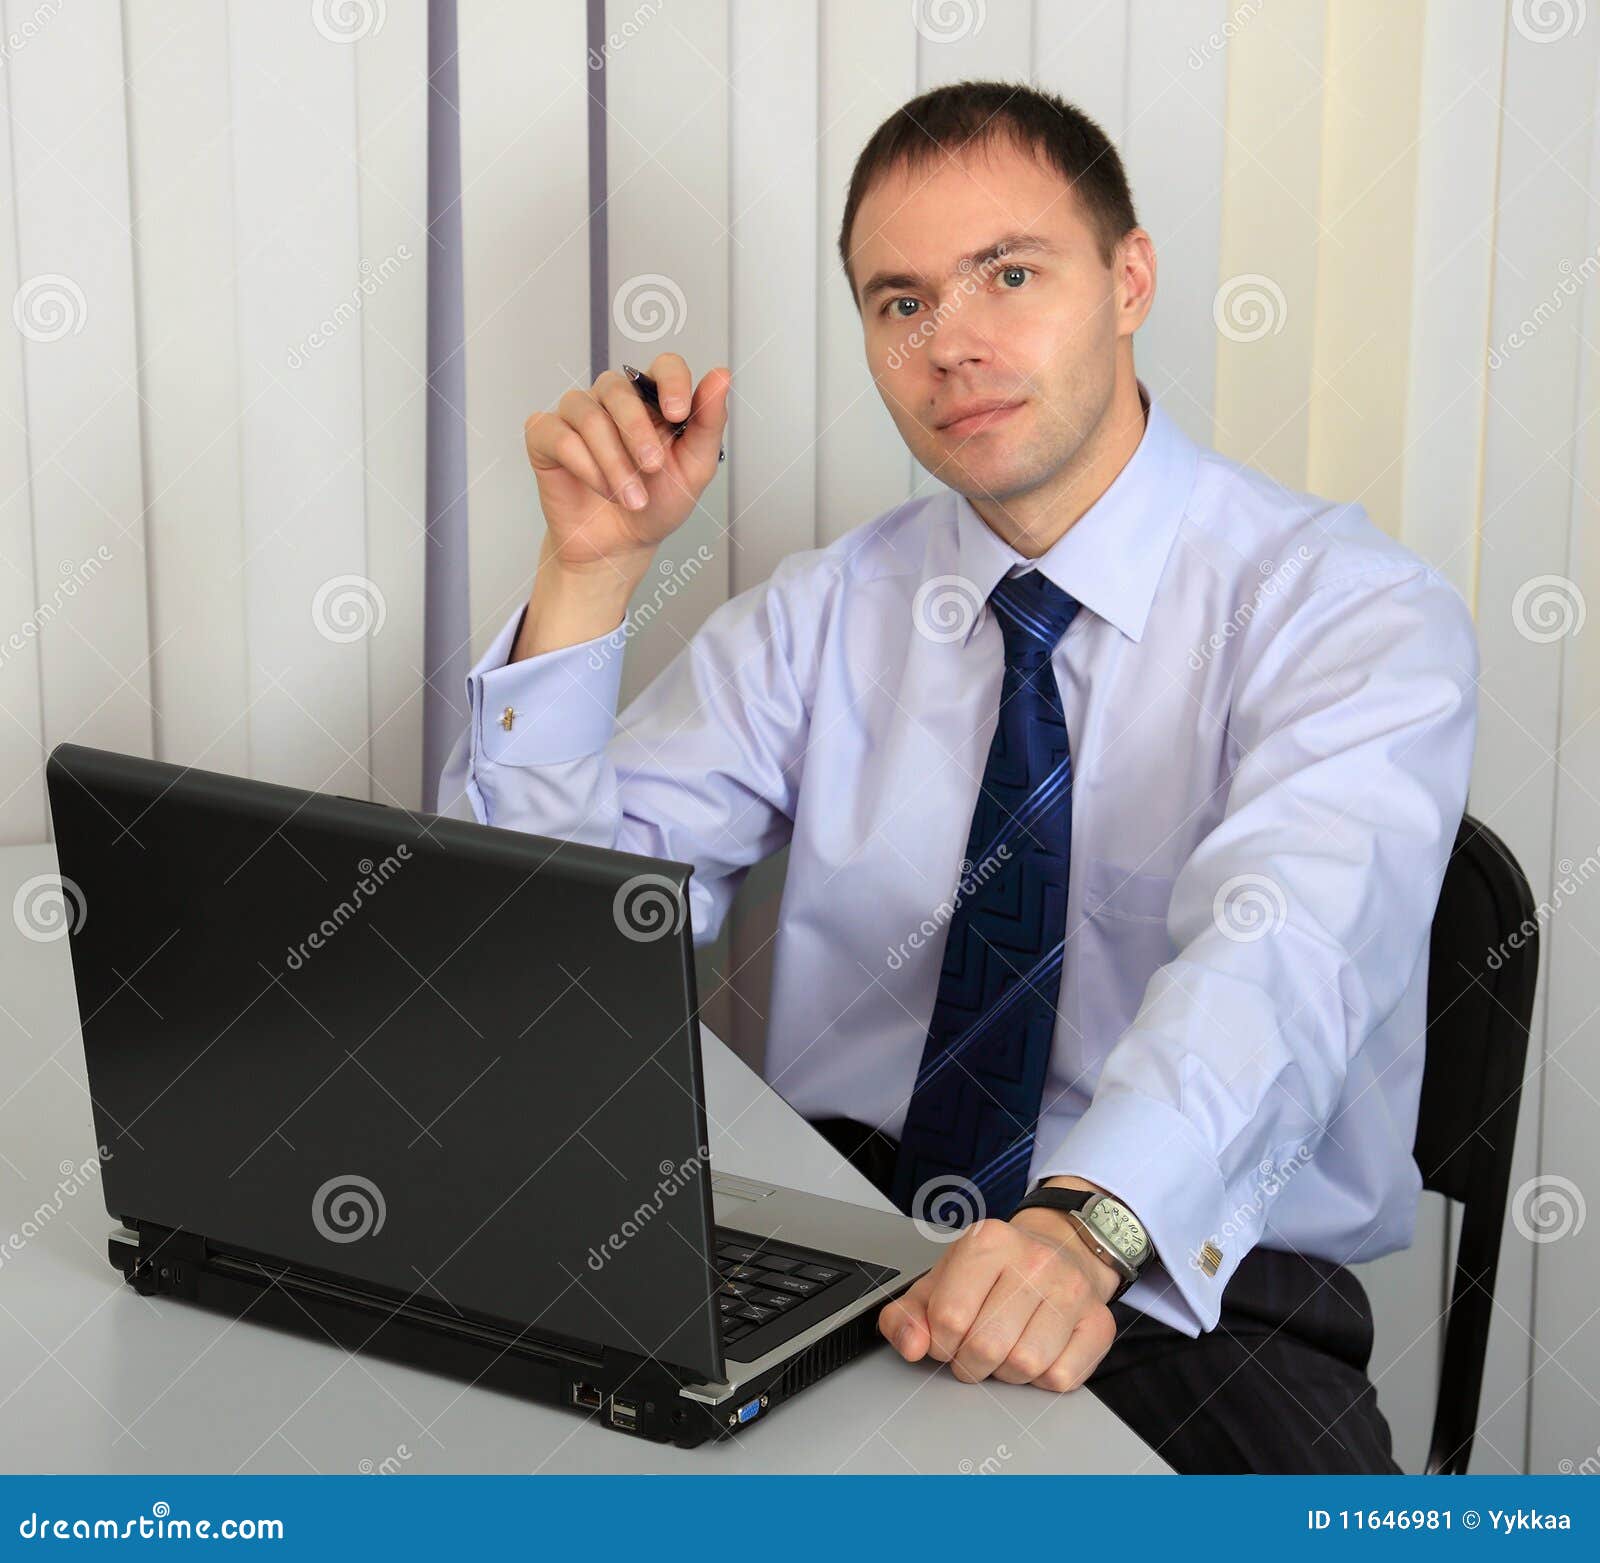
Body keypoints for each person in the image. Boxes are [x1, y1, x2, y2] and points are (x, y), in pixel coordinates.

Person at [437, 80, 1479, 1474]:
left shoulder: (1350, 612)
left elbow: (1280, 953)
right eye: (901, 301)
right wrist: (587, 577)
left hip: (1185, 1275)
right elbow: (545, 965)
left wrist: (1083, 1226)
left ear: (1130, 278)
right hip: (844, 1232)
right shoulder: (827, 611)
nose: (954, 343)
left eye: (1009, 274)